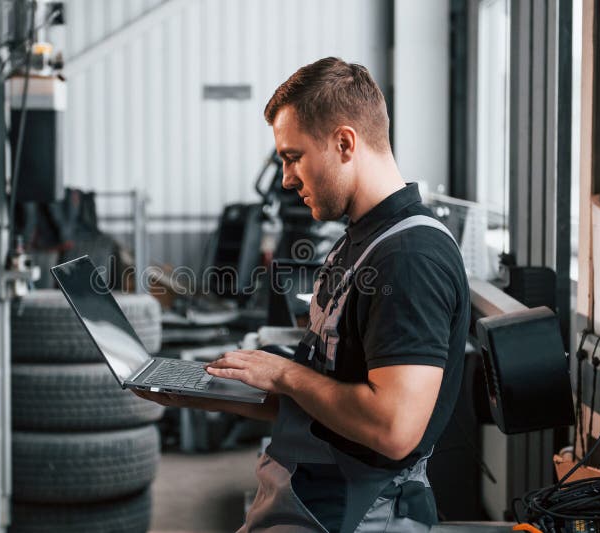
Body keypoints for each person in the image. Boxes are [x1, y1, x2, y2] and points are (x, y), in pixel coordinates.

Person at [135, 57, 470, 532]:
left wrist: (287, 374)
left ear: (344, 143)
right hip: (313, 497)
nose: (288, 179)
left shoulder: (410, 256)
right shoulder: (357, 240)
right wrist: (200, 391)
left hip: (360, 514)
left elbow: (393, 429)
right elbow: (322, 394)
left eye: (293, 157)